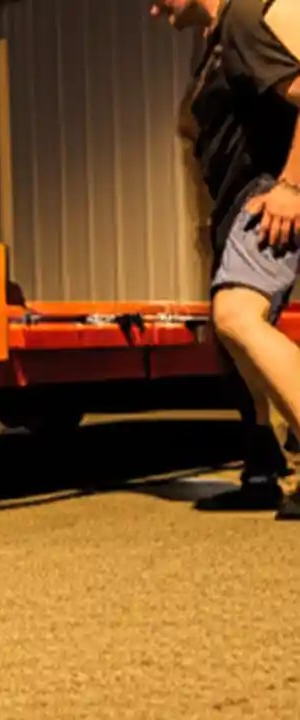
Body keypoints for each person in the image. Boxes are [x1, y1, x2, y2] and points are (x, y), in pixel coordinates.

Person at [152, 0, 300, 518]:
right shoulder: (216, 38)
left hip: (268, 199)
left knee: (236, 318)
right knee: (234, 338)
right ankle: (262, 467)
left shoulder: (242, 18)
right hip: (239, 202)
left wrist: (290, 186)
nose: (153, 10)